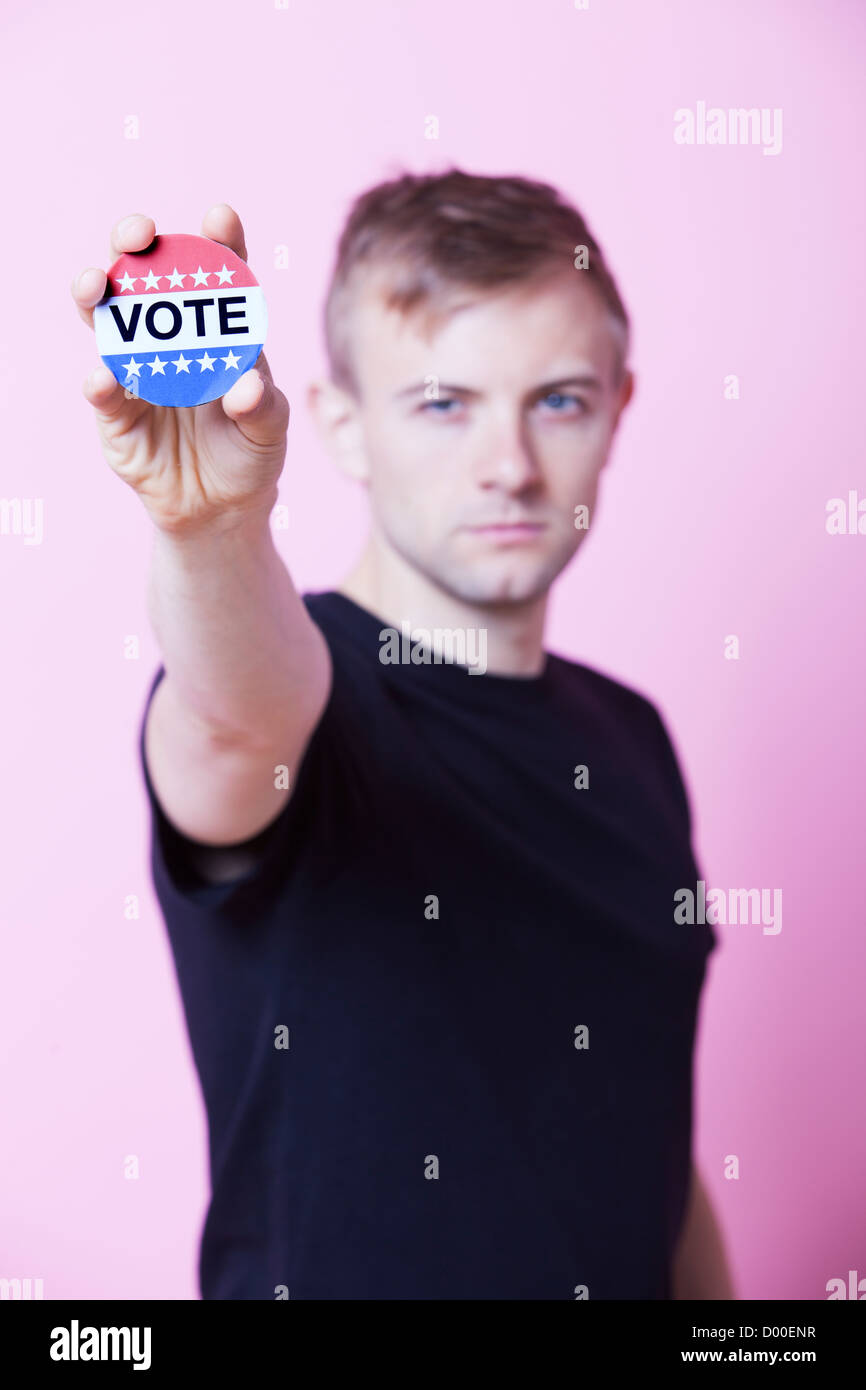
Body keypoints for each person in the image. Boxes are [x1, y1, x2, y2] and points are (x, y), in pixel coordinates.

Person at [72, 168, 734, 1300]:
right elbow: (235, 716)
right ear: (342, 424)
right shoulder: (302, 697)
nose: (510, 466)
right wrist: (209, 530)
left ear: (618, 410)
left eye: (558, 399)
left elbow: (645, 1133)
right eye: (441, 402)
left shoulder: (631, 735)